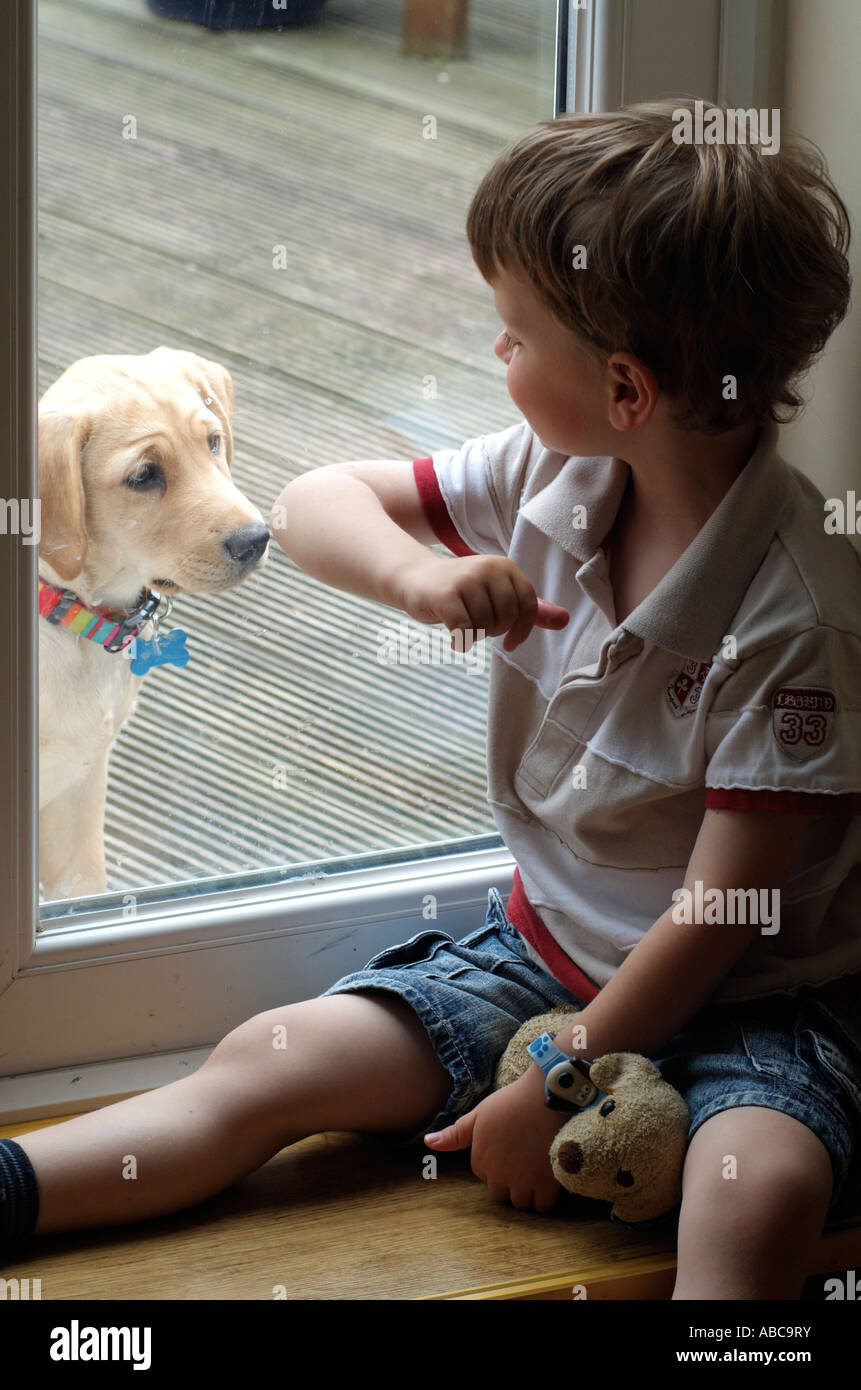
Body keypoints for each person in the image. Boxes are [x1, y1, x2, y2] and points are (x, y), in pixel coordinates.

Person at [3, 96, 860, 1301]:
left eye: (514, 335)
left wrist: (557, 1076)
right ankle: (10, 1185)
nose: (496, 357)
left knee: (757, 1191)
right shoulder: (551, 474)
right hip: (546, 954)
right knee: (269, 1057)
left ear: (623, 388)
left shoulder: (797, 612)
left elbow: (728, 911)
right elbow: (310, 505)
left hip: (754, 1004)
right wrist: (420, 572)